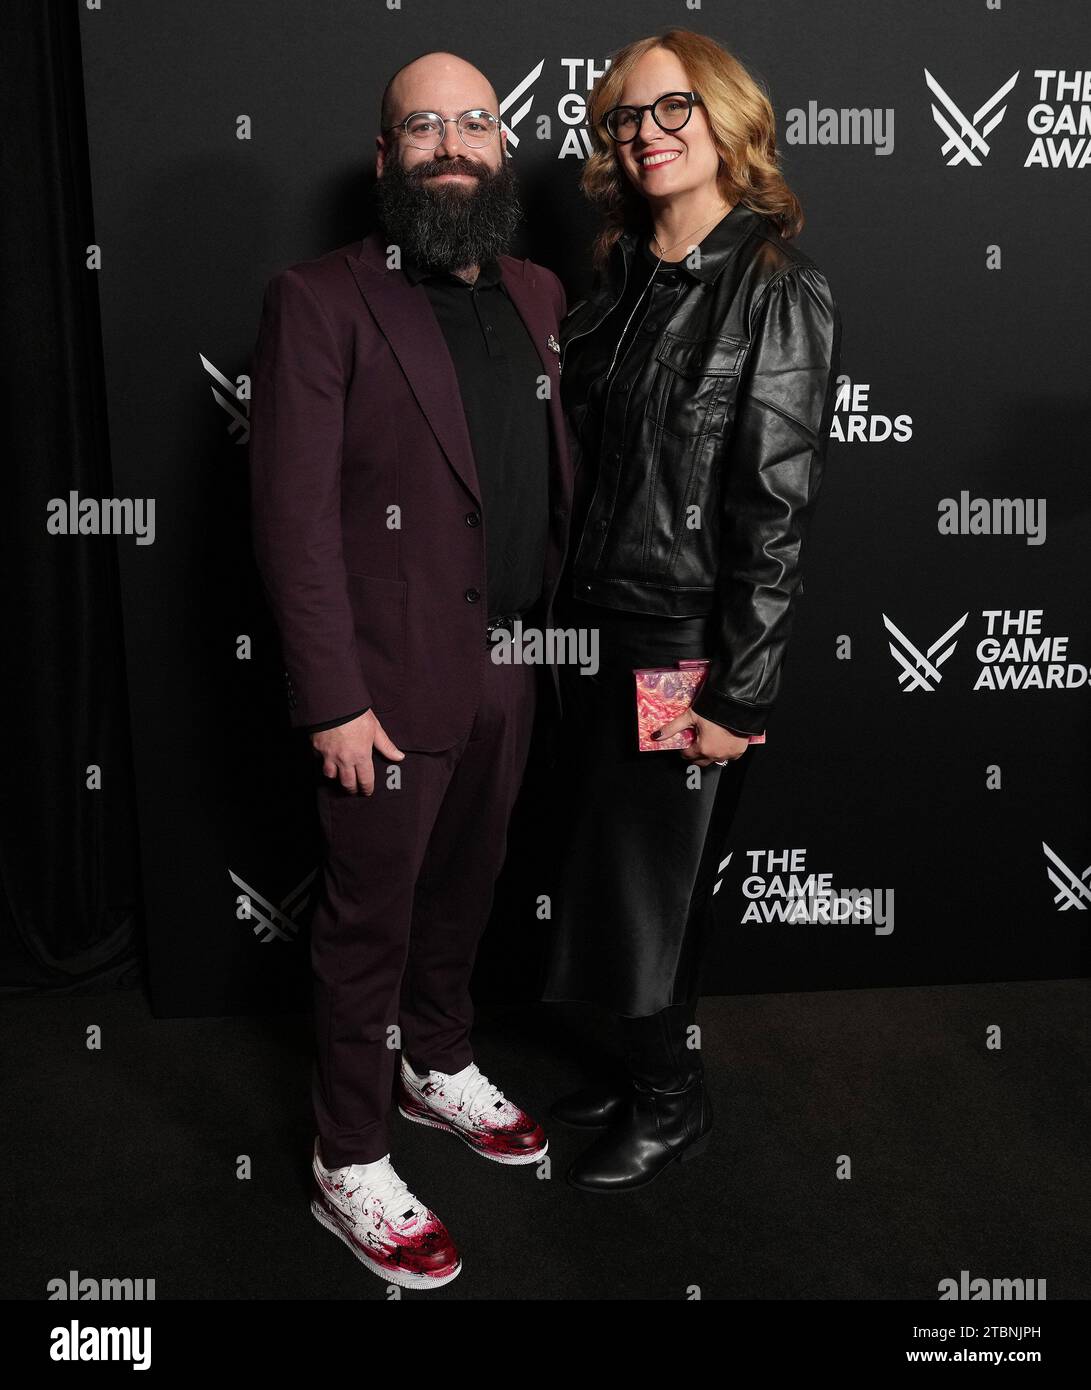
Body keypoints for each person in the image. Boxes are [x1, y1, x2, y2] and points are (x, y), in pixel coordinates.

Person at [248, 50, 573, 1288]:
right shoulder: (319, 297)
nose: (450, 141)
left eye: (473, 122)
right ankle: (348, 1152)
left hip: (513, 660)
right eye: (421, 126)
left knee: (468, 890)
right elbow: (290, 517)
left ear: (501, 146)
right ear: (387, 160)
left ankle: (436, 1062)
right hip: (379, 685)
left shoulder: (540, 291)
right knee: (367, 922)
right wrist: (331, 693)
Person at [543, 28, 842, 1192]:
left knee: (655, 885)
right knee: (611, 871)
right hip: (593, 624)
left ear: (723, 121)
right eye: (624, 115)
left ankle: (671, 1106)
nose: (646, 133)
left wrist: (740, 686)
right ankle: (632, 1069)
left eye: (671, 109)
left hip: (681, 643)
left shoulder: (772, 284)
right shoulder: (617, 281)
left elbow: (774, 504)